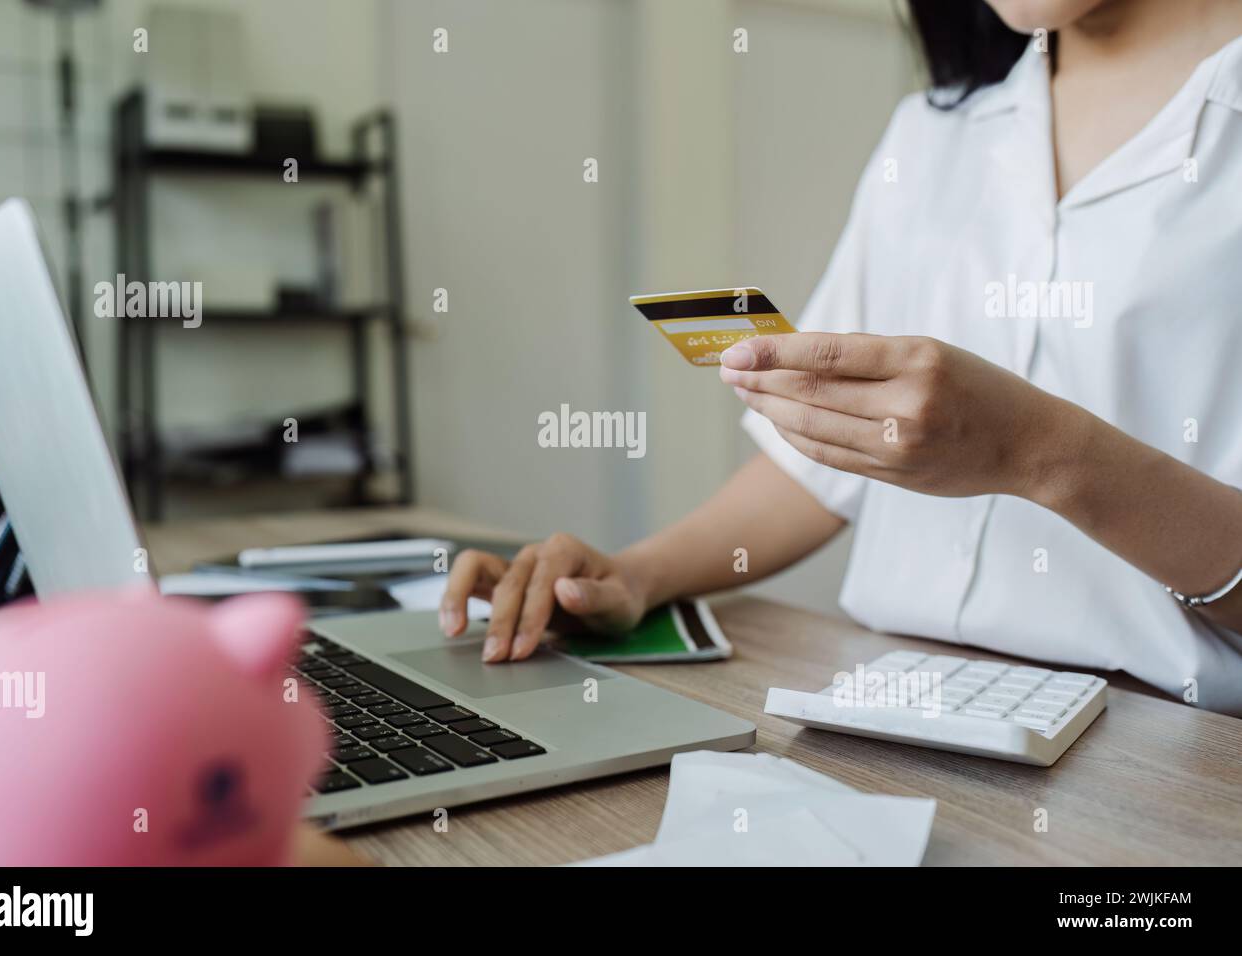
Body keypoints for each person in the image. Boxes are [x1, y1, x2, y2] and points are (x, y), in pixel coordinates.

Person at [439, 0, 1242, 715]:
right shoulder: (930, 135)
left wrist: (1039, 452)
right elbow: (823, 462)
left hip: (1169, 742)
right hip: (881, 703)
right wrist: (636, 576)